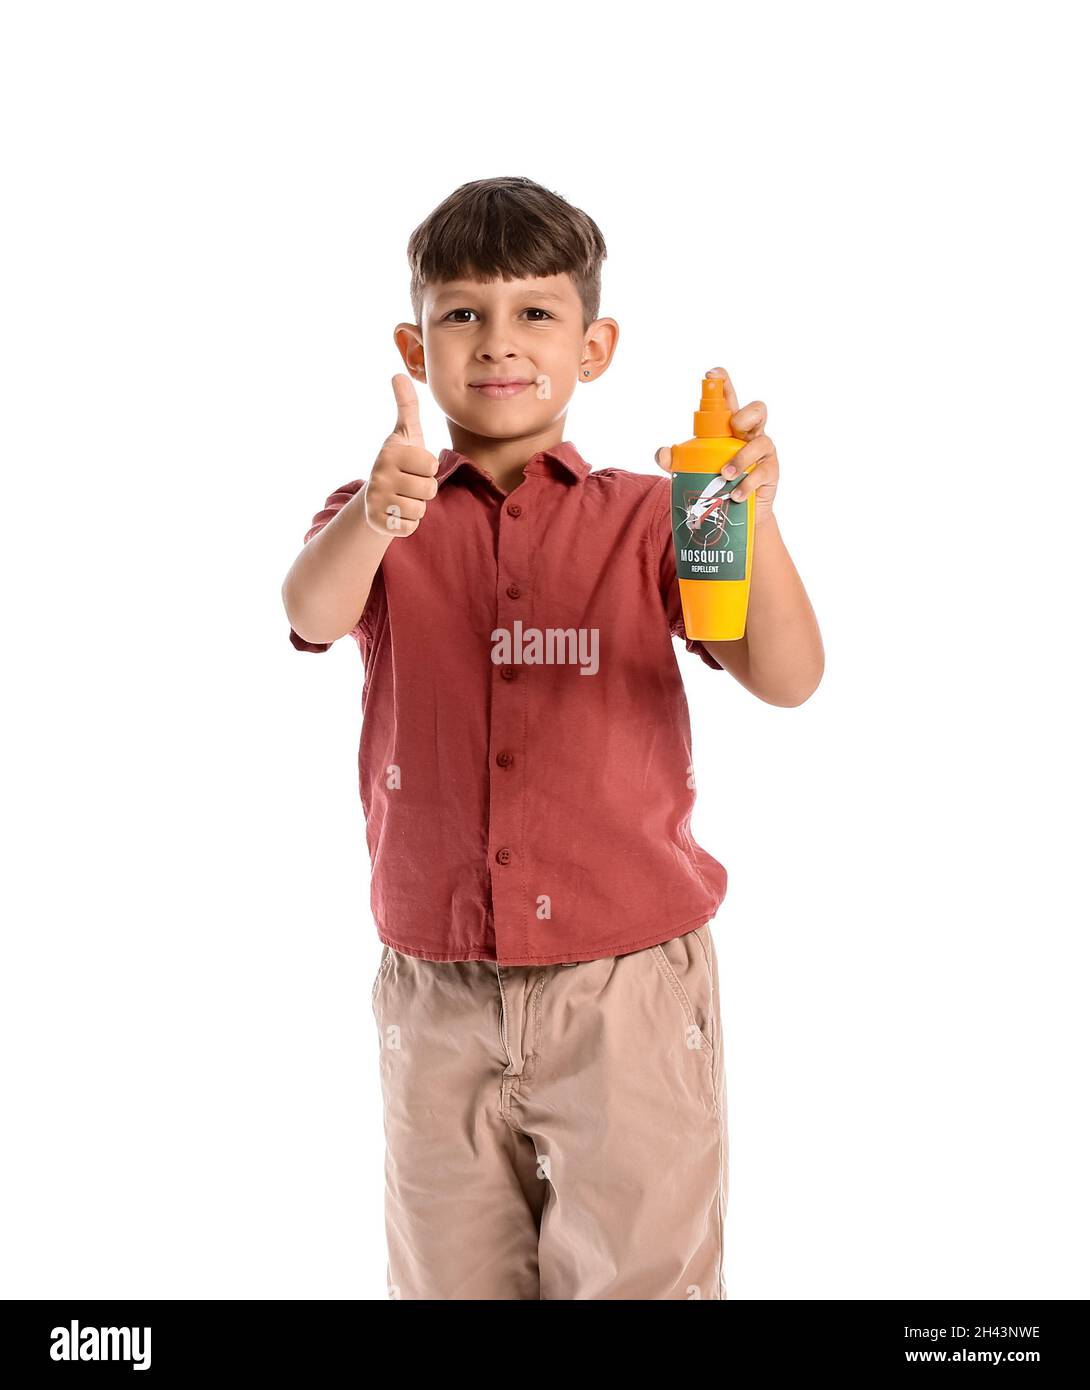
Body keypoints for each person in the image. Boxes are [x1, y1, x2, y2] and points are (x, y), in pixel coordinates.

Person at [281, 176, 824, 1300]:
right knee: (446, 1280)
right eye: (462, 313)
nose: (498, 343)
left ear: (595, 345)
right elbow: (309, 612)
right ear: (413, 342)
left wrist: (746, 518)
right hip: (436, 986)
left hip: (624, 989)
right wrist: (372, 518)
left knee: (643, 1278)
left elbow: (787, 675)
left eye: (535, 312)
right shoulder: (380, 510)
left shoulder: (652, 513)